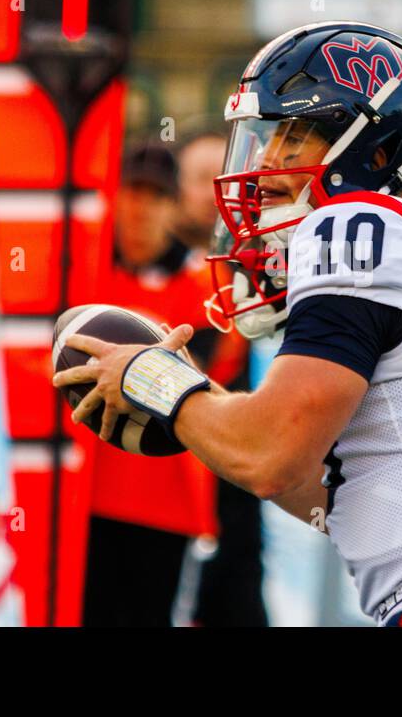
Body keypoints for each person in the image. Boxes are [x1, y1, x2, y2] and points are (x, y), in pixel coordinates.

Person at [56, 22, 402, 627]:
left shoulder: (352, 226)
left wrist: (155, 382)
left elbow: (270, 457)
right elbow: (338, 491)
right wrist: (207, 412)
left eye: (293, 140)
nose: (265, 165)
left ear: (374, 155)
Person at [82, 140, 254, 627]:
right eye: (131, 193)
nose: (139, 208)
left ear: (173, 204)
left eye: (154, 195)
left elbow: (197, 371)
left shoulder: (207, 284)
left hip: (168, 503)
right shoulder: (84, 272)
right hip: (85, 498)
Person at [171, 128, 268, 627]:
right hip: (168, 499)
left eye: (225, 181)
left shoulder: (267, 267)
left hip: (236, 492)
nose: (215, 196)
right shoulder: (153, 276)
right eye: (199, 180)